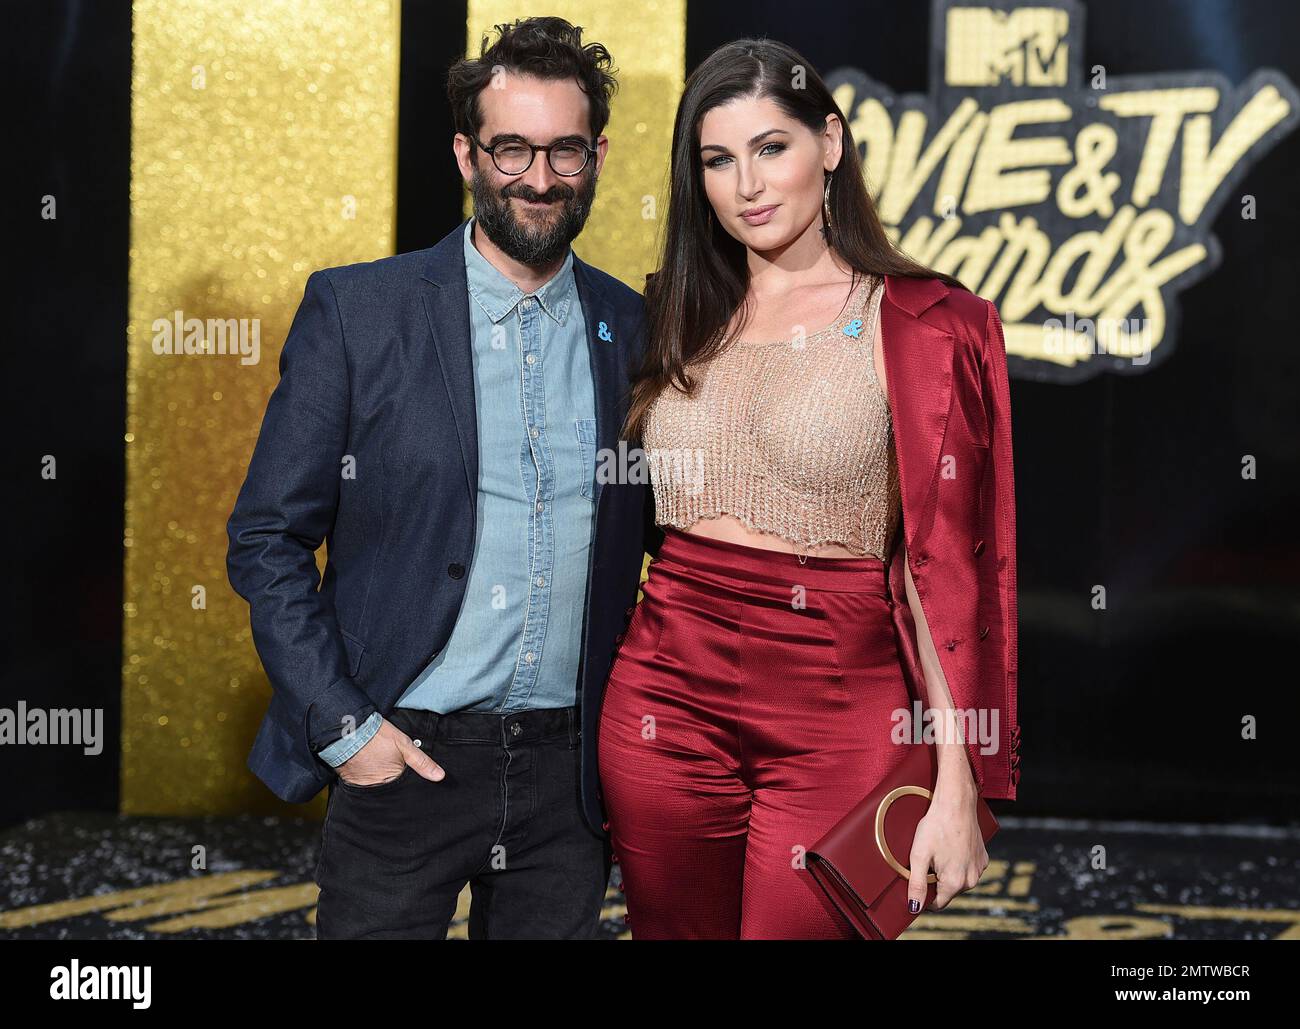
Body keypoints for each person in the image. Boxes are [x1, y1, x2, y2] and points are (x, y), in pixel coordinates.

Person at [226, 16, 651, 939]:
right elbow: (267, 536)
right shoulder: (360, 311)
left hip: (570, 782)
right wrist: (348, 730)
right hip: (401, 754)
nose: (539, 177)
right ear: (467, 154)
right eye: (511, 148)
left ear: (599, 155)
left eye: (565, 150)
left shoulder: (637, 325)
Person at [596, 38, 1020, 939]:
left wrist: (958, 778)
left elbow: (946, 573)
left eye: (771, 147)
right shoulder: (673, 311)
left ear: (830, 143)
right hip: (663, 699)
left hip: (837, 709)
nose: (746, 183)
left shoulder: (925, 323)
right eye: (717, 159)